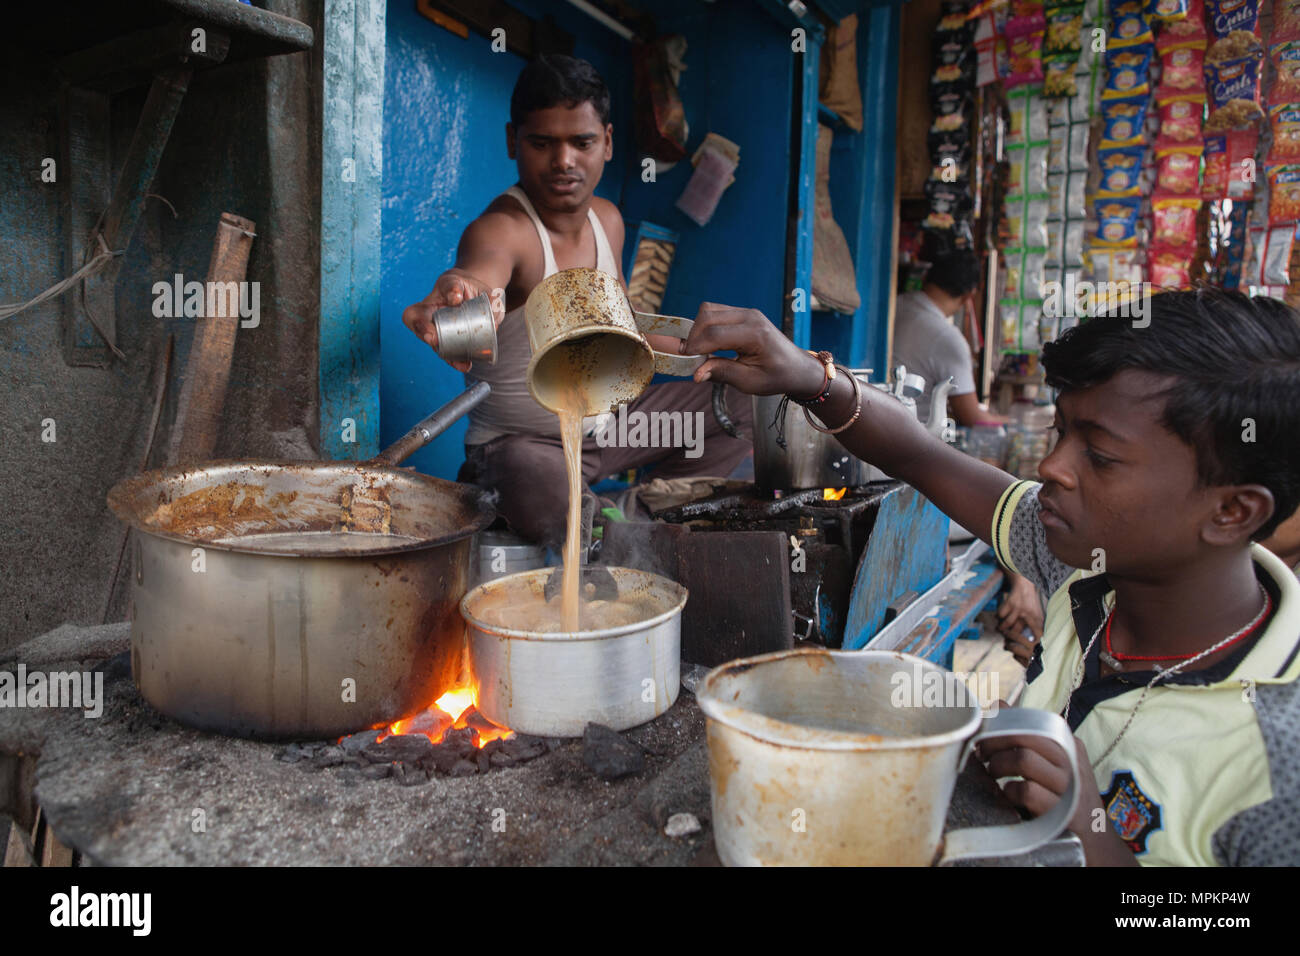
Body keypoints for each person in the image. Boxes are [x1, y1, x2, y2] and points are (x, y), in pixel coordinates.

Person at [680, 288, 1300, 866]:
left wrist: (1095, 835)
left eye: (1102, 457)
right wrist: (812, 378)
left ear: (1232, 511)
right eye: (1061, 433)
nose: (1052, 466)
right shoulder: (1084, 570)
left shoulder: (1279, 762)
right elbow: (919, 455)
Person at [400, 54, 752, 550]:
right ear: (512, 142)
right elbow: (477, 274)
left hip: (605, 435)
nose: (563, 161)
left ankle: (630, 515)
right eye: (542, 143)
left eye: (581, 142)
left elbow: (627, 325)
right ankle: (596, 529)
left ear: (607, 142)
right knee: (540, 486)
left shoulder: (608, 220)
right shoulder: (503, 229)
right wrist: (458, 298)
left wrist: (706, 353)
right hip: (520, 449)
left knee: (739, 397)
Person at [891, 249, 1005, 426]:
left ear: (926, 276)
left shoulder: (896, 303)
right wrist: (1012, 423)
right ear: (969, 295)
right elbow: (973, 418)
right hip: (907, 437)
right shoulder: (948, 339)